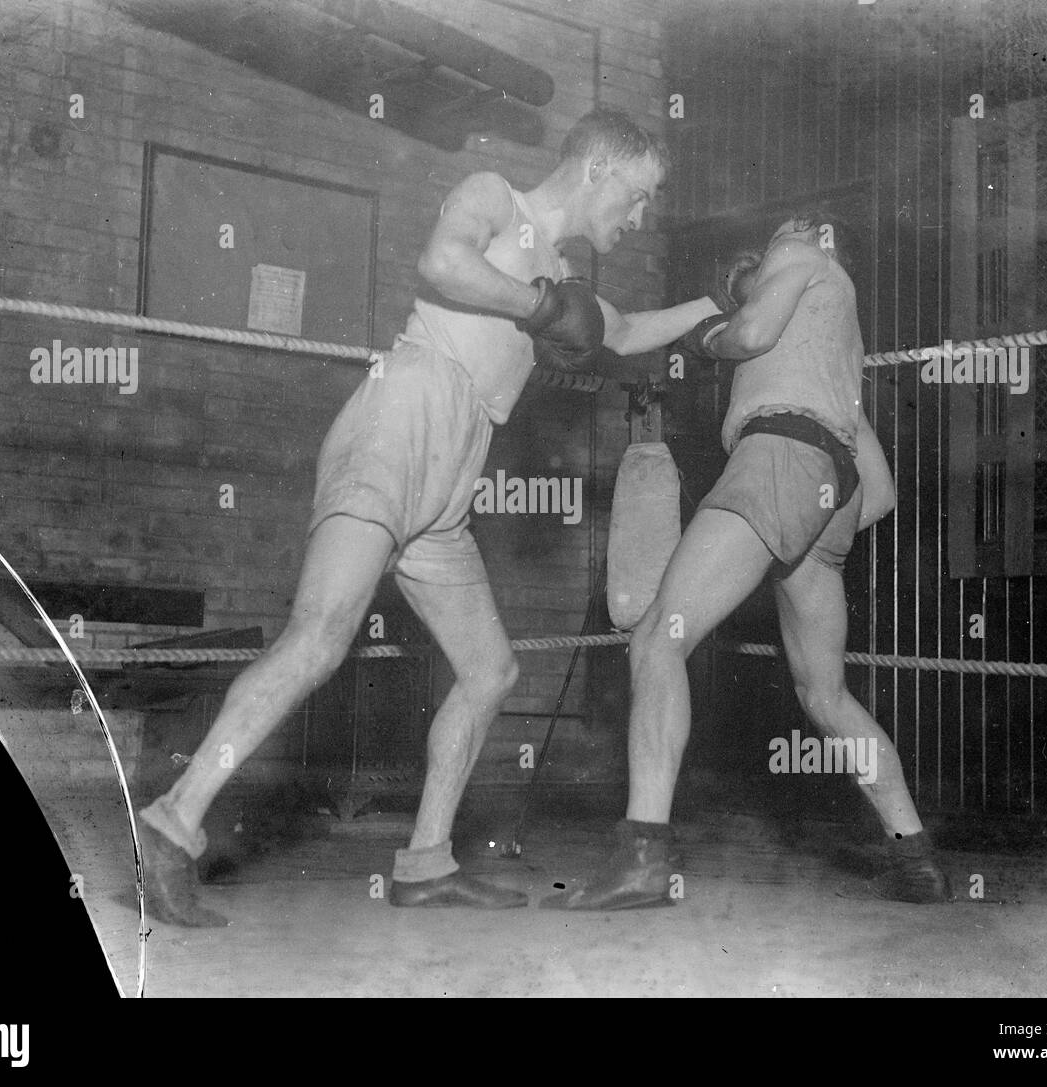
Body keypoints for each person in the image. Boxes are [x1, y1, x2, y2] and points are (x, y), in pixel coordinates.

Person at [137, 108, 723, 925]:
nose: (641, 215)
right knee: (319, 637)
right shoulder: (495, 197)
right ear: (598, 169)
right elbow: (442, 262)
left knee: (490, 670)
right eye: (639, 194)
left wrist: (715, 304)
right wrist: (538, 306)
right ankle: (171, 823)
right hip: (400, 418)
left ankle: (425, 861)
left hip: (453, 471)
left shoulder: (561, 273)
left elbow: (621, 332)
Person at [548, 210, 952, 910]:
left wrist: (712, 340)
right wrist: (792, 529)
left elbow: (752, 333)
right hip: (830, 497)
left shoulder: (802, 251)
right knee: (825, 695)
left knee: (657, 637)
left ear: (817, 237)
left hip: (779, 461)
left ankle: (643, 856)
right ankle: (917, 858)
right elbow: (880, 494)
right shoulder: (834, 351)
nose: (762, 261)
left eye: (762, 257)